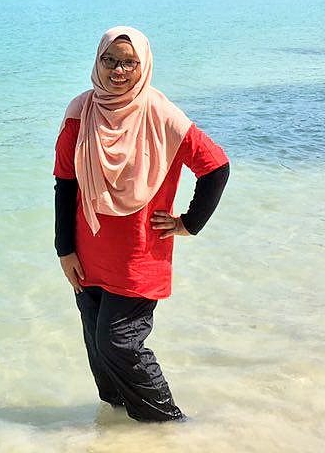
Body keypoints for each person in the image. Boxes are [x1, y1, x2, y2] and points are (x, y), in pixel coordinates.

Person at [53, 25, 229, 423]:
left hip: (138, 253)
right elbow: (65, 183)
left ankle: (169, 425)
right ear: (97, 61)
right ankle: (117, 430)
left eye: (129, 63)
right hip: (87, 252)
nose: (118, 71)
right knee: (98, 350)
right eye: (109, 61)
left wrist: (189, 222)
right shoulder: (80, 112)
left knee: (118, 341)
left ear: (143, 65)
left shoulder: (162, 115)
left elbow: (216, 166)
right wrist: (64, 249)